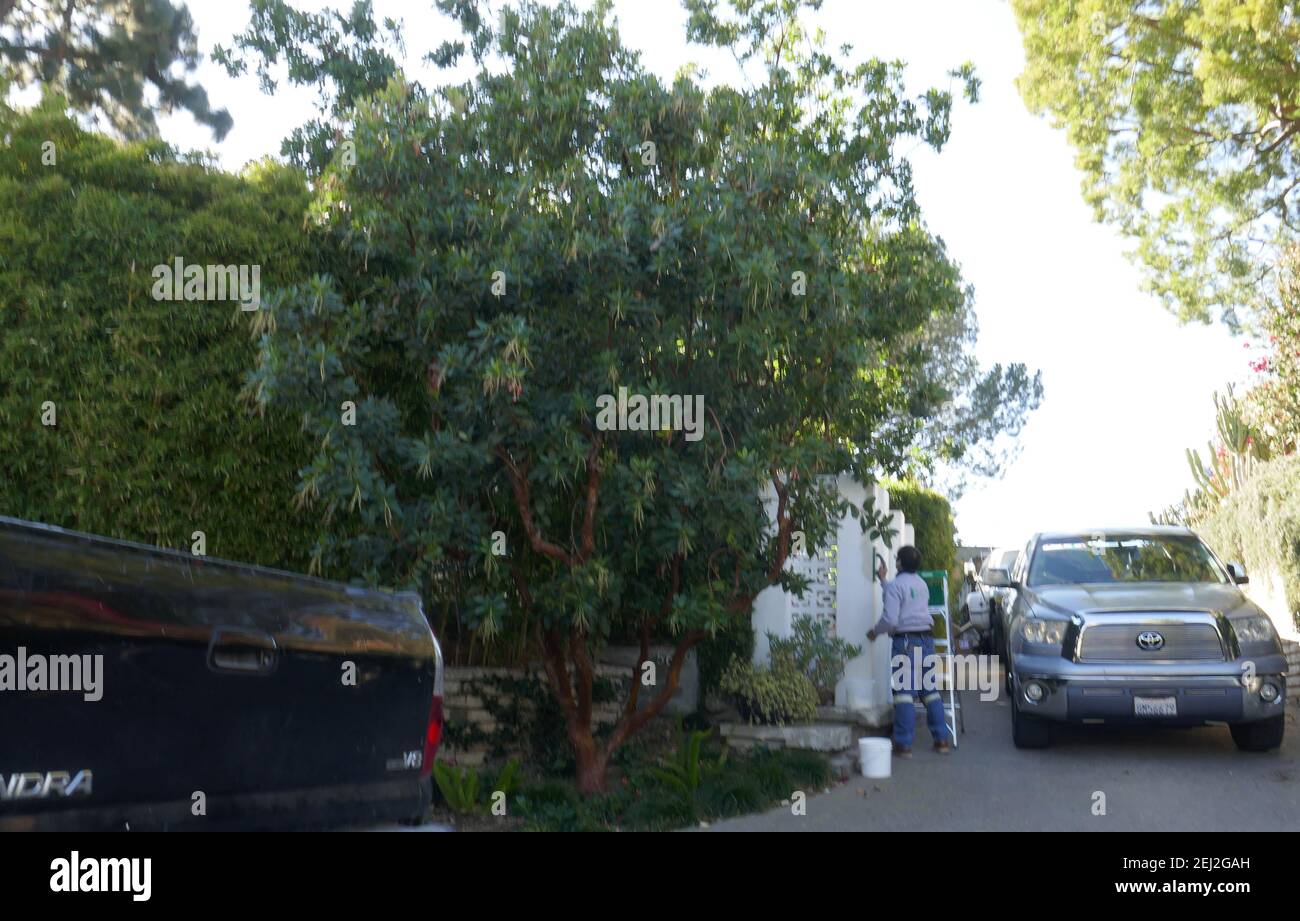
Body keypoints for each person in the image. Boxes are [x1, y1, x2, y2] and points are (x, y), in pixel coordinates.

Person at [867, 545, 953, 757]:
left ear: (899, 563)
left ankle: (903, 744)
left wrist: (875, 632)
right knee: (930, 691)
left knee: (904, 694)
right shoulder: (921, 584)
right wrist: (883, 581)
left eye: (897, 559)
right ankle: (942, 740)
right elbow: (903, 599)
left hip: (905, 641)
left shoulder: (897, 585)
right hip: (926, 640)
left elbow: (890, 619)